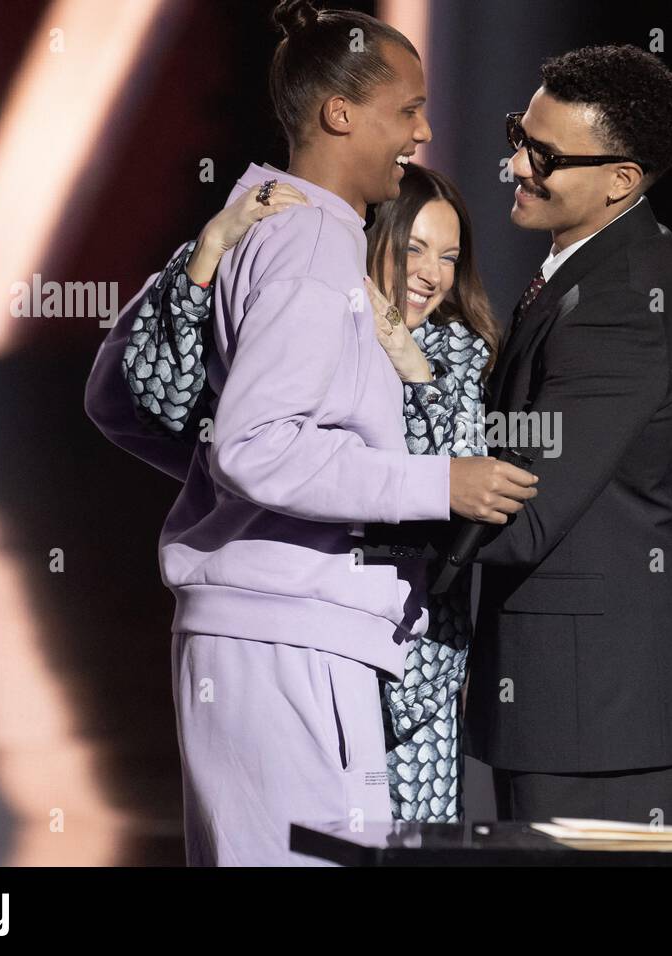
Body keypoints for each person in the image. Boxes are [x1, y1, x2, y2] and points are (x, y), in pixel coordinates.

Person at [85, 0, 535, 864]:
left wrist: (226, 478)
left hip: (288, 629)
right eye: (407, 110)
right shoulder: (307, 240)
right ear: (339, 113)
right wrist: (436, 482)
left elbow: (129, 403)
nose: (426, 128)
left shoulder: (272, 223)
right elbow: (258, 446)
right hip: (284, 635)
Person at [123, 161, 499, 823]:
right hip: (314, 640)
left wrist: (412, 366)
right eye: (413, 248)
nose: (431, 272)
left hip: (418, 656)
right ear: (369, 240)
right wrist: (207, 250)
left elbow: (462, 498)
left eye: (448, 256)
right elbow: (141, 400)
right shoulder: (300, 322)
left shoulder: (457, 354)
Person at [459, 45, 672, 825]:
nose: (516, 163)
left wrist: (363, 505)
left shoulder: (618, 299)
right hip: (574, 703)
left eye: (544, 154)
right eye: (520, 135)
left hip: (594, 712)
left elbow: (527, 512)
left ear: (621, 180)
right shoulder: (591, 270)